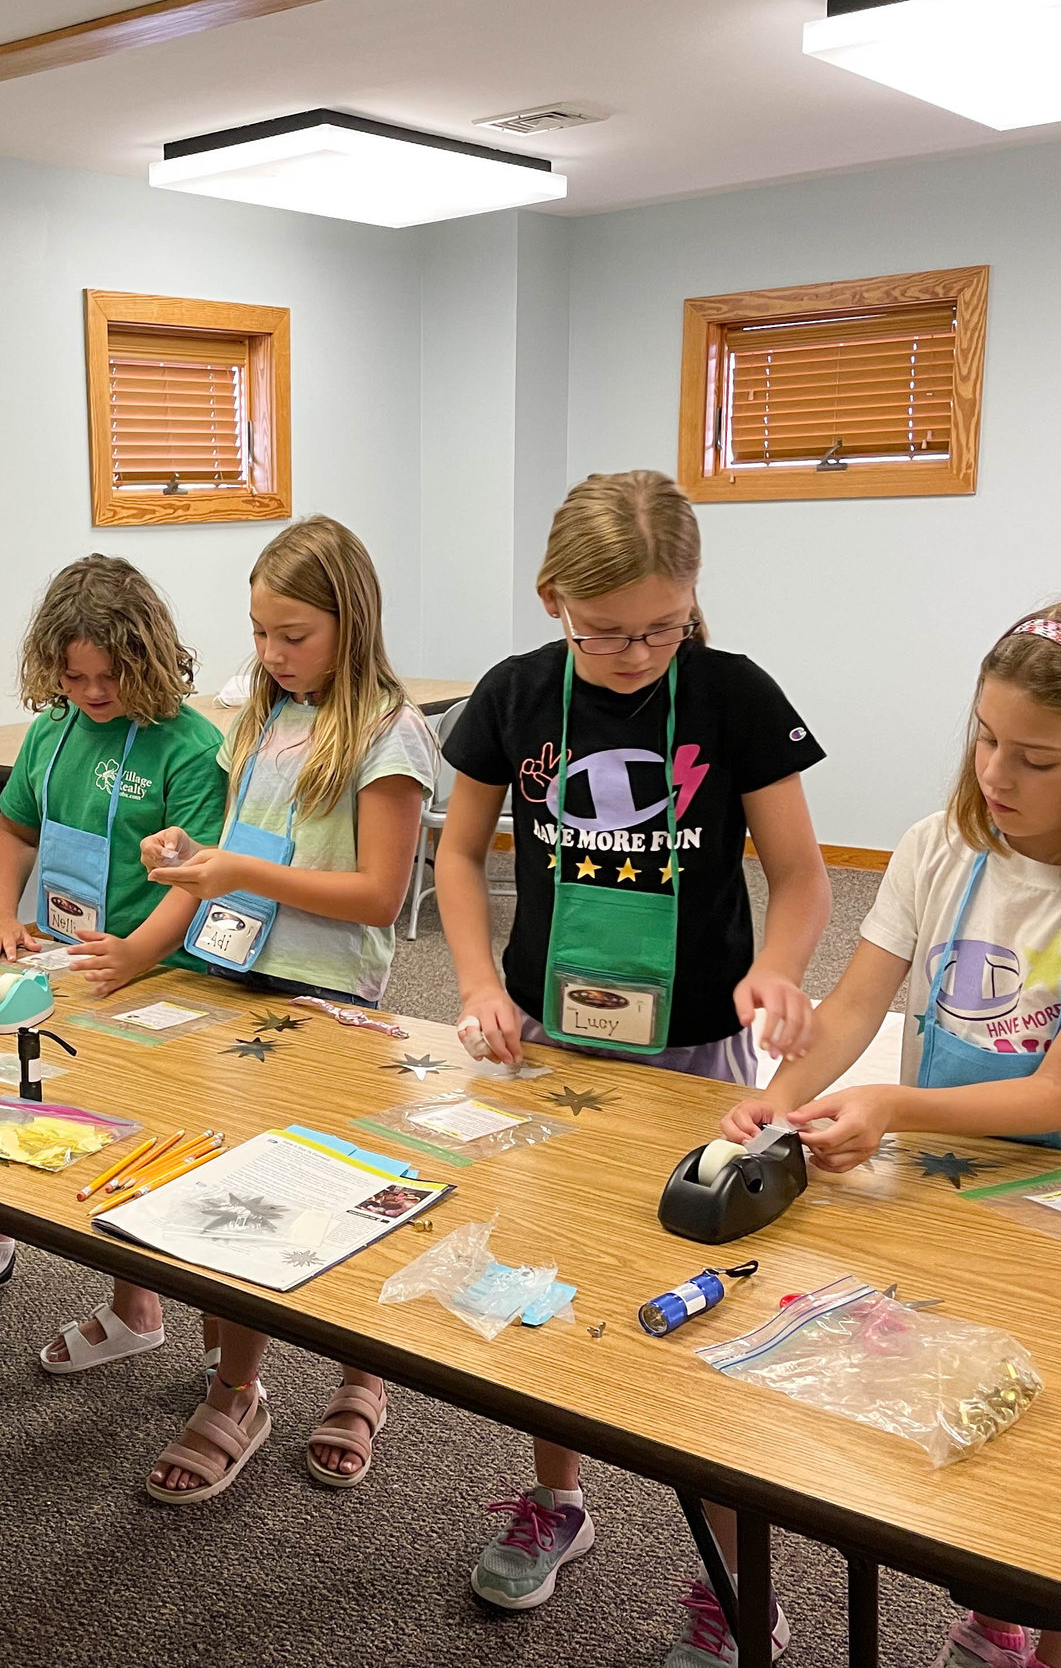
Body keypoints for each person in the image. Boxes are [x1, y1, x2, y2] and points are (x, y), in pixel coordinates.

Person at [726, 595, 1061, 1668]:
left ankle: (1055, 1648)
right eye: (986, 737)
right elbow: (855, 1004)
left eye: (1036, 757)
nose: (996, 773)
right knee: (955, 1394)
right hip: (939, 1185)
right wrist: (787, 1091)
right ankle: (994, 1604)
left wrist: (892, 1106)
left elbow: (1052, 1097)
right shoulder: (936, 846)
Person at [433, 469, 830, 1661]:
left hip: (701, 1044)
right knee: (547, 1277)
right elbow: (458, 857)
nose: (635, 651)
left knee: (703, 1297)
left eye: (662, 624)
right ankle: (558, 1496)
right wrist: (475, 984)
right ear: (553, 596)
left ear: (693, 597)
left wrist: (779, 969)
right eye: (605, 630)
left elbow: (803, 874)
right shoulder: (514, 694)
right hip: (546, 1037)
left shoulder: (733, 692)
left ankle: (735, 1580)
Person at [136, 514, 438, 1503]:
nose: (270, 652)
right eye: (260, 631)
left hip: (328, 995)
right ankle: (240, 1387)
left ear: (350, 622)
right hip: (235, 976)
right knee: (234, 1192)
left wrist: (237, 866)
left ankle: (362, 1371)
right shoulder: (261, 714)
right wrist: (195, 857)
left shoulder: (391, 733)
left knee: (331, 1191)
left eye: (292, 634)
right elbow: (238, 840)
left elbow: (377, 894)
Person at [0, 554, 227, 1353]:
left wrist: (140, 953)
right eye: (74, 678)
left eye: (108, 676)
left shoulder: (188, 745)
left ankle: (222, 1356)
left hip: (166, 973)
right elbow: (13, 828)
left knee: (175, 1148)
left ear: (147, 658)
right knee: (95, 1128)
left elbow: (200, 876)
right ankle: (135, 1309)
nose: (93, 693)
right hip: (74, 968)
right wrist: (0, 912)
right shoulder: (51, 732)